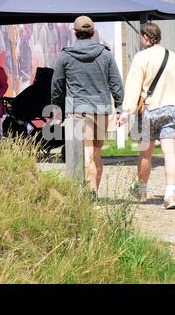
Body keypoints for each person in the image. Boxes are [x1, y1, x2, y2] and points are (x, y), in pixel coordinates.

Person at [51, 16, 123, 195]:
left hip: (78, 110)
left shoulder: (66, 55)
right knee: (96, 154)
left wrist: (57, 108)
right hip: (101, 110)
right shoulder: (105, 54)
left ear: (75, 32)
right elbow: (116, 82)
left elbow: (57, 85)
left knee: (87, 153)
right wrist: (119, 106)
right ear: (93, 32)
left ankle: (90, 194)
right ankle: (94, 192)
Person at [122, 21, 175, 209]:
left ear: (145, 37)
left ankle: (142, 190)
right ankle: (170, 194)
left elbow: (134, 86)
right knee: (170, 153)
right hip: (171, 111)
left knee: (145, 154)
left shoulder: (141, 57)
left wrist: (127, 111)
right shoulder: (173, 56)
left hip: (149, 111)